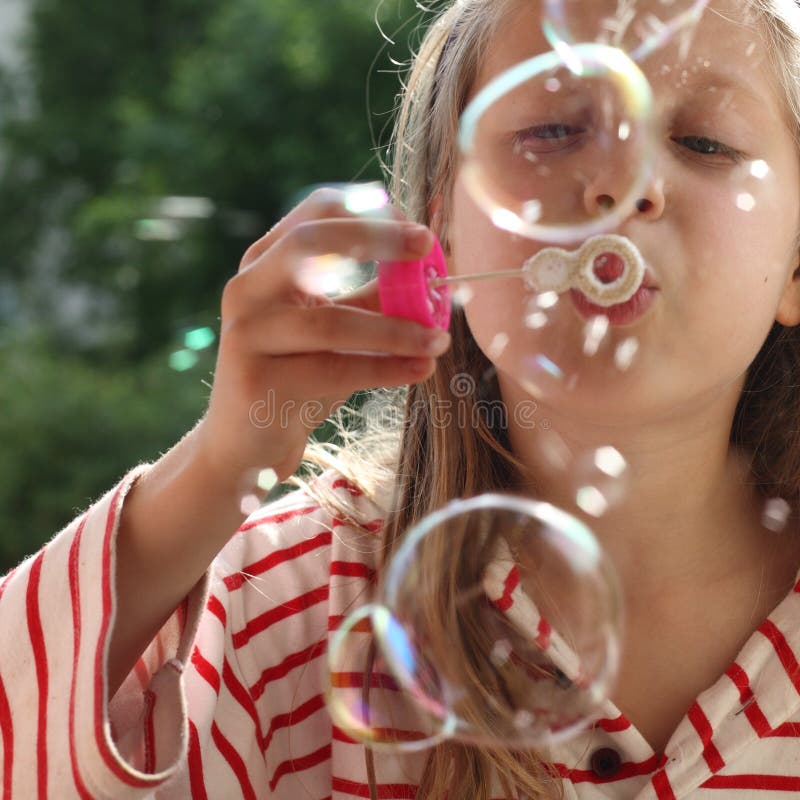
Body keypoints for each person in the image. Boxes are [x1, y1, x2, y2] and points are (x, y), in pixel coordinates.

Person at [4, 0, 800, 797]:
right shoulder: (285, 603)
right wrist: (221, 465)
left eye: (704, 142)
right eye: (553, 130)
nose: (622, 187)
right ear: (441, 230)